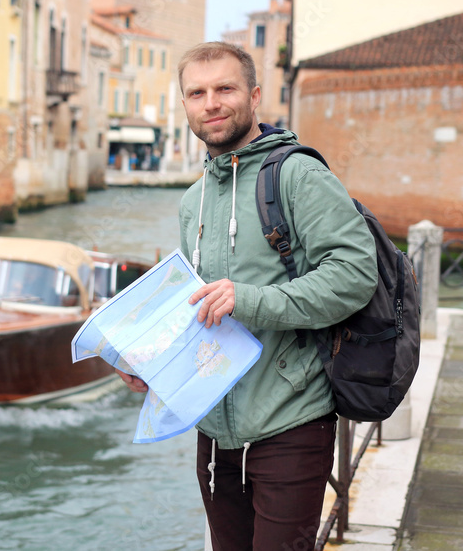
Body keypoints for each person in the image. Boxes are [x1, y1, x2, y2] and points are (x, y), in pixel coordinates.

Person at [116, 42, 377, 550]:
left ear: (254, 96)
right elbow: (198, 308)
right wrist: (151, 362)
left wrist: (249, 299)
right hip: (212, 435)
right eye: (197, 93)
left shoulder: (300, 175)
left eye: (225, 89)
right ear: (185, 104)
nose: (211, 103)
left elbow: (354, 274)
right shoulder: (194, 200)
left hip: (289, 422)